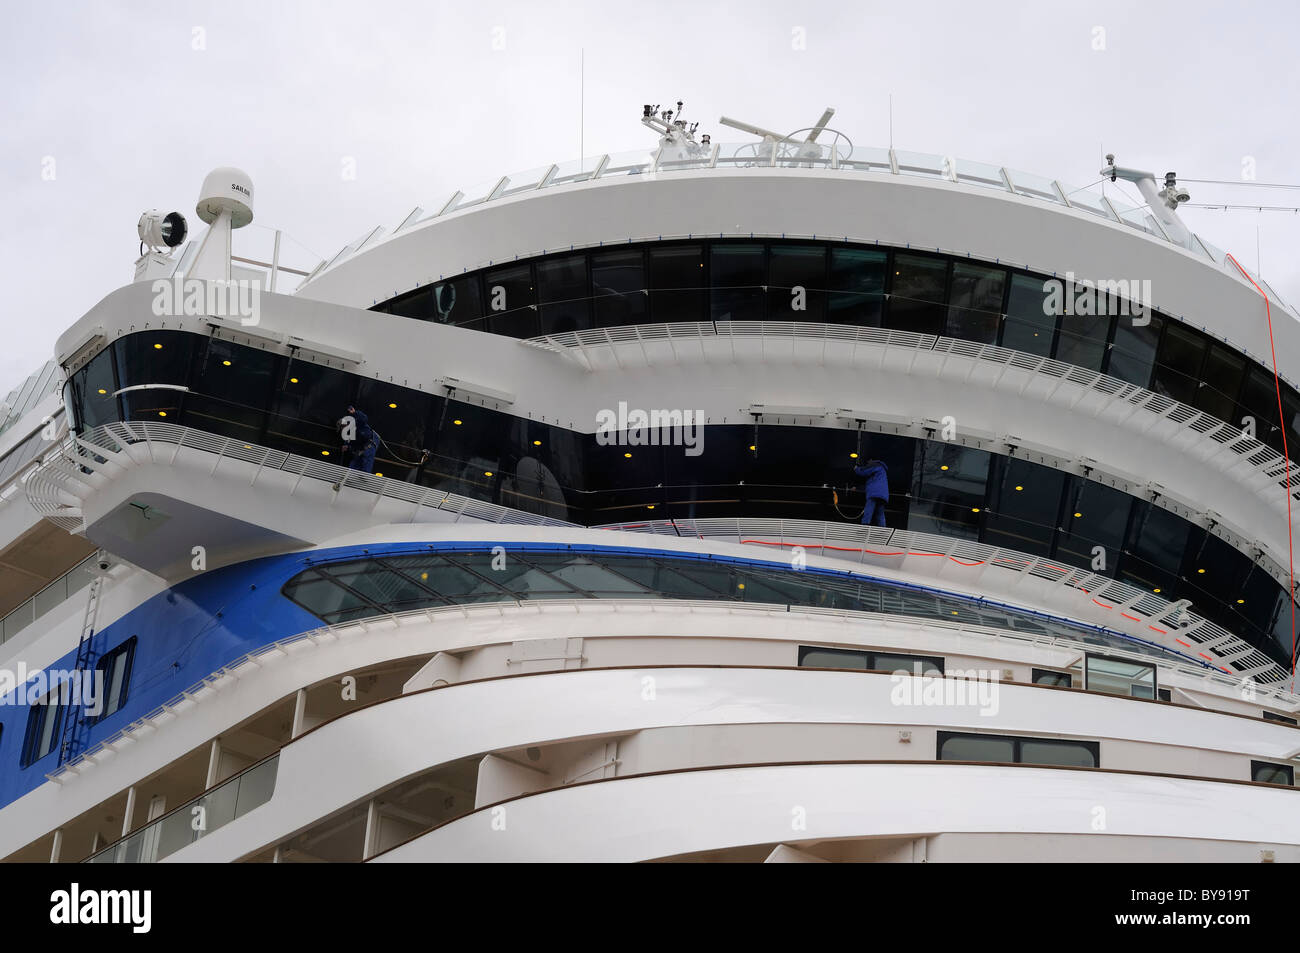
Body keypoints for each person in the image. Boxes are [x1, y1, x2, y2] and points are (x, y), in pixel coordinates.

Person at [340, 404, 379, 474]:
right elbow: (352, 447)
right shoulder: (349, 436)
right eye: (342, 427)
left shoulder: (357, 424)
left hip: (370, 443)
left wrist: (354, 413)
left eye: (343, 426)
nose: (343, 428)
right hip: (360, 449)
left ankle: (365, 475)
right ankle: (350, 476)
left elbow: (364, 418)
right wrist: (348, 447)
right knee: (354, 463)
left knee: (366, 459)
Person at [854, 458, 889, 527]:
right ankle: (883, 530)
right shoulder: (881, 471)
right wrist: (857, 488)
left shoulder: (875, 465)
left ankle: (864, 527)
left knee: (868, 511)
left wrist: (856, 469)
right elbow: (870, 485)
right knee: (880, 514)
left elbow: (863, 472)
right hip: (883, 495)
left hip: (874, 494)